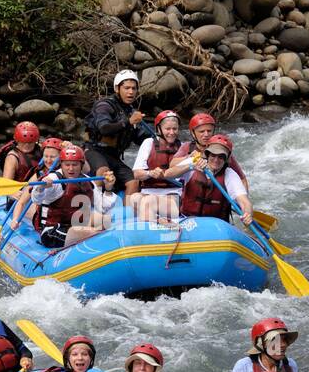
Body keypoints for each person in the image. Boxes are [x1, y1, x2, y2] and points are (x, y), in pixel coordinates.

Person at [31, 142, 117, 249]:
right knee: (80, 231)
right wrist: (41, 187)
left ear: (81, 165)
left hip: (76, 225)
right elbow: (36, 199)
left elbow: (103, 207)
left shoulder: (87, 181)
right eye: (67, 165)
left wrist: (108, 188)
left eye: (75, 165)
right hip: (52, 231)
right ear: (61, 164)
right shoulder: (54, 179)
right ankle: (104, 243)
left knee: (104, 220)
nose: (71, 169)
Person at [84, 69, 154, 198]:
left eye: (134, 88)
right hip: (94, 151)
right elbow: (104, 128)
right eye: (126, 88)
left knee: (133, 182)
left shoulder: (131, 111)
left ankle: (128, 215)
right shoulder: (104, 105)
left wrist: (158, 139)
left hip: (114, 156)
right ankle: (95, 206)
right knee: (104, 172)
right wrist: (128, 121)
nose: (131, 92)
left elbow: (140, 139)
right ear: (117, 88)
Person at [130, 110, 194, 224]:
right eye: (167, 129)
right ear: (159, 129)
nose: (172, 132)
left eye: (175, 129)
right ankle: (158, 220)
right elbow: (136, 173)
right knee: (134, 198)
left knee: (148, 202)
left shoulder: (183, 147)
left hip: (174, 194)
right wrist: (150, 173)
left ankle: (159, 222)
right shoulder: (149, 143)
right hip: (149, 191)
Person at [180, 134, 253, 226]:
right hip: (188, 221)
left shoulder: (230, 175)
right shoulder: (194, 163)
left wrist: (247, 214)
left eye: (221, 157)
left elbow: (244, 201)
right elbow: (168, 174)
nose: (216, 160)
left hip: (217, 225)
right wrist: (190, 167)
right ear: (207, 154)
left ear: (226, 158)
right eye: (213, 155)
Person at [173, 113, 250, 192]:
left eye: (209, 131)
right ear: (193, 133)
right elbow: (172, 165)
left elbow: (242, 178)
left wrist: (243, 198)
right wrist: (189, 158)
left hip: (216, 194)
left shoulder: (222, 150)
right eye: (201, 131)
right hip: (194, 191)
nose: (206, 134)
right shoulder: (187, 147)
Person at [10, 136, 63, 232]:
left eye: (52, 157)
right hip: (43, 209)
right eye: (46, 156)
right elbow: (22, 202)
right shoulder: (39, 174)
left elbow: (85, 168)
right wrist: (15, 219)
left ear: (61, 157)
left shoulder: (68, 169)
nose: (48, 160)